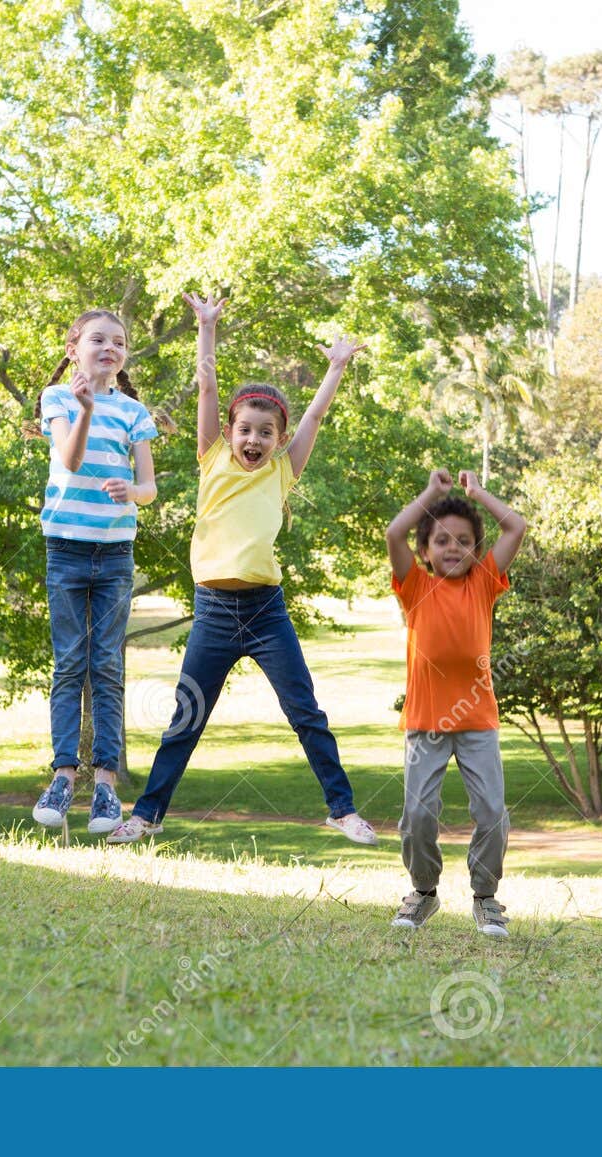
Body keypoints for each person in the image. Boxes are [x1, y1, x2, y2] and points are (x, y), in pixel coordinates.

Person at [106, 292, 376, 845]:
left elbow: (317, 414)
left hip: (266, 611)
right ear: (229, 433)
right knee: (186, 718)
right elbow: (207, 387)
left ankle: (342, 808)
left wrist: (336, 367)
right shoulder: (212, 457)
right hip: (214, 612)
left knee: (306, 712)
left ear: (279, 441)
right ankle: (146, 815)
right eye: (245, 429)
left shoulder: (282, 472)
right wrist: (206, 326)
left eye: (266, 432)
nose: (254, 439)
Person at [29, 310, 158, 835]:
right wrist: (84, 409)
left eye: (119, 342)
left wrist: (134, 491)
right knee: (69, 664)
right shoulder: (57, 398)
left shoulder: (134, 412)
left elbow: (148, 486)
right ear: (74, 346)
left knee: (105, 665)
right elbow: (72, 458)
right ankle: (63, 776)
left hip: (115, 552)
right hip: (65, 546)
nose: (110, 347)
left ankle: (105, 786)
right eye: (98, 339)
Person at [385, 468, 526, 937]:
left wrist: (477, 492)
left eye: (463, 541)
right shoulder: (415, 587)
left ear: (476, 550)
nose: (452, 548)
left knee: (491, 811)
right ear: (425, 551)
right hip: (425, 721)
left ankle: (485, 898)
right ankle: (423, 892)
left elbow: (516, 527)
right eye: (441, 540)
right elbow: (393, 532)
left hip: (478, 721)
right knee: (419, 814)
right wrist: (430, 494)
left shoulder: (484, 582)